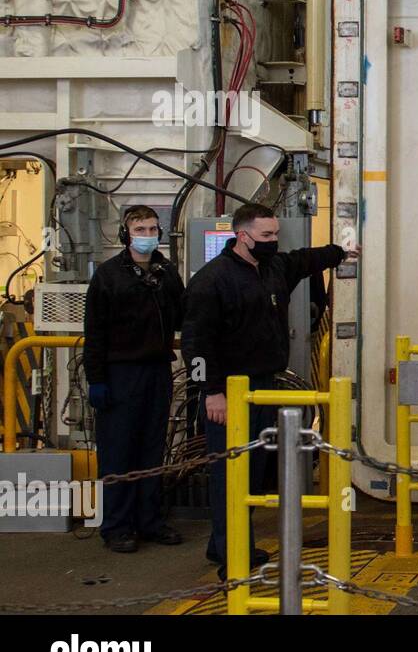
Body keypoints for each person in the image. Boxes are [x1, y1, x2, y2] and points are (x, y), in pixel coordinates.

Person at [181, 203, 357, 579]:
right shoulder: (212, 281)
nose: (273, 241)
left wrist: (342, 252)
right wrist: (211, 393)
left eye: (275, 234)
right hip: (229, 392)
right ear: (241, 236)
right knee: (231, 476)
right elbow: (196, 343)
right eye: (265, 236)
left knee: (253, 474)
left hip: (264, 388)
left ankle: (224, 545)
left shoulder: (274, 268)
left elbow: (306, 260)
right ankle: (233, 560)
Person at [83, 205, 186, 552]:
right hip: (119, 373)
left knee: (152, 449)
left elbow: (184, 314)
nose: (148, 235)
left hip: (157, 371)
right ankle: (117, 526)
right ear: (127, 234)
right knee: (118, 452)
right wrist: (96, 379)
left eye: (153, 228)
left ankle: (150, 521)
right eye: (140, 229)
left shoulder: (166, 272)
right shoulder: (109, 276)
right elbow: (94, 333)